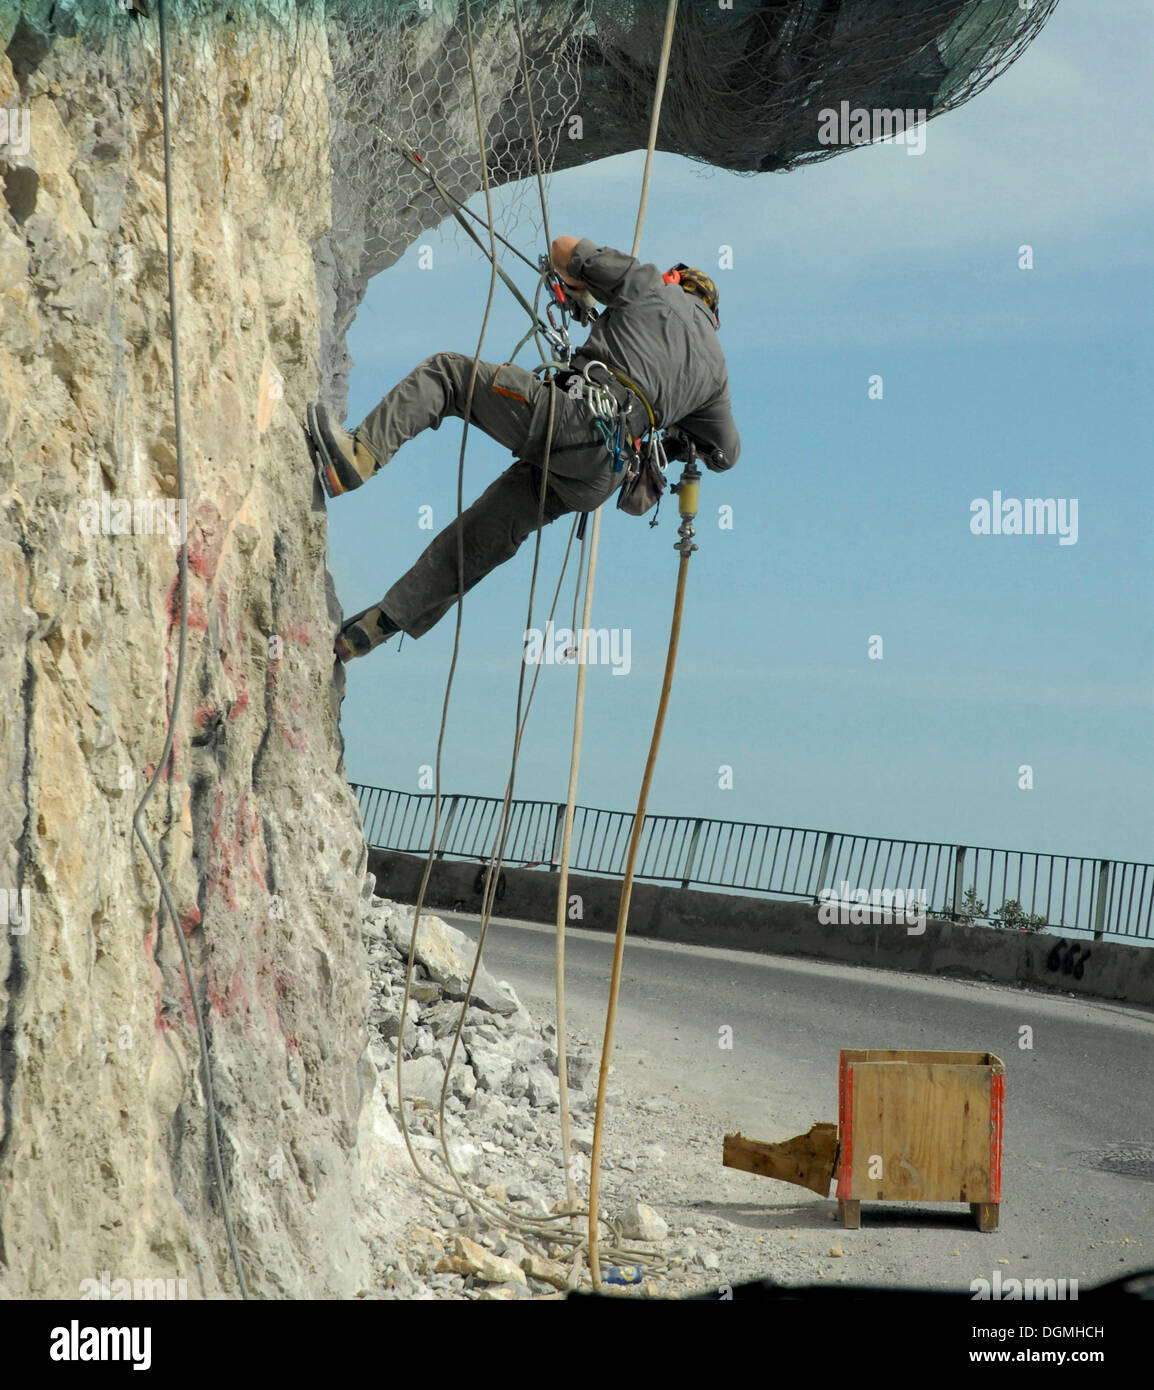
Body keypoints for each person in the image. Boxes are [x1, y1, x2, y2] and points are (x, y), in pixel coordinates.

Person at [306, 236, 741, 662]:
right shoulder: (715, 371)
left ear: (675, 279)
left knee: (448, 376)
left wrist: (583, 286)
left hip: (575, 416)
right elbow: (725, 454)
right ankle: (383, 623)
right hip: (601, 476)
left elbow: (564, 248)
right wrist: (675, 441)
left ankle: (358, 458)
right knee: (488, 533)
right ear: (713, 317)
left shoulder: (650, 285)